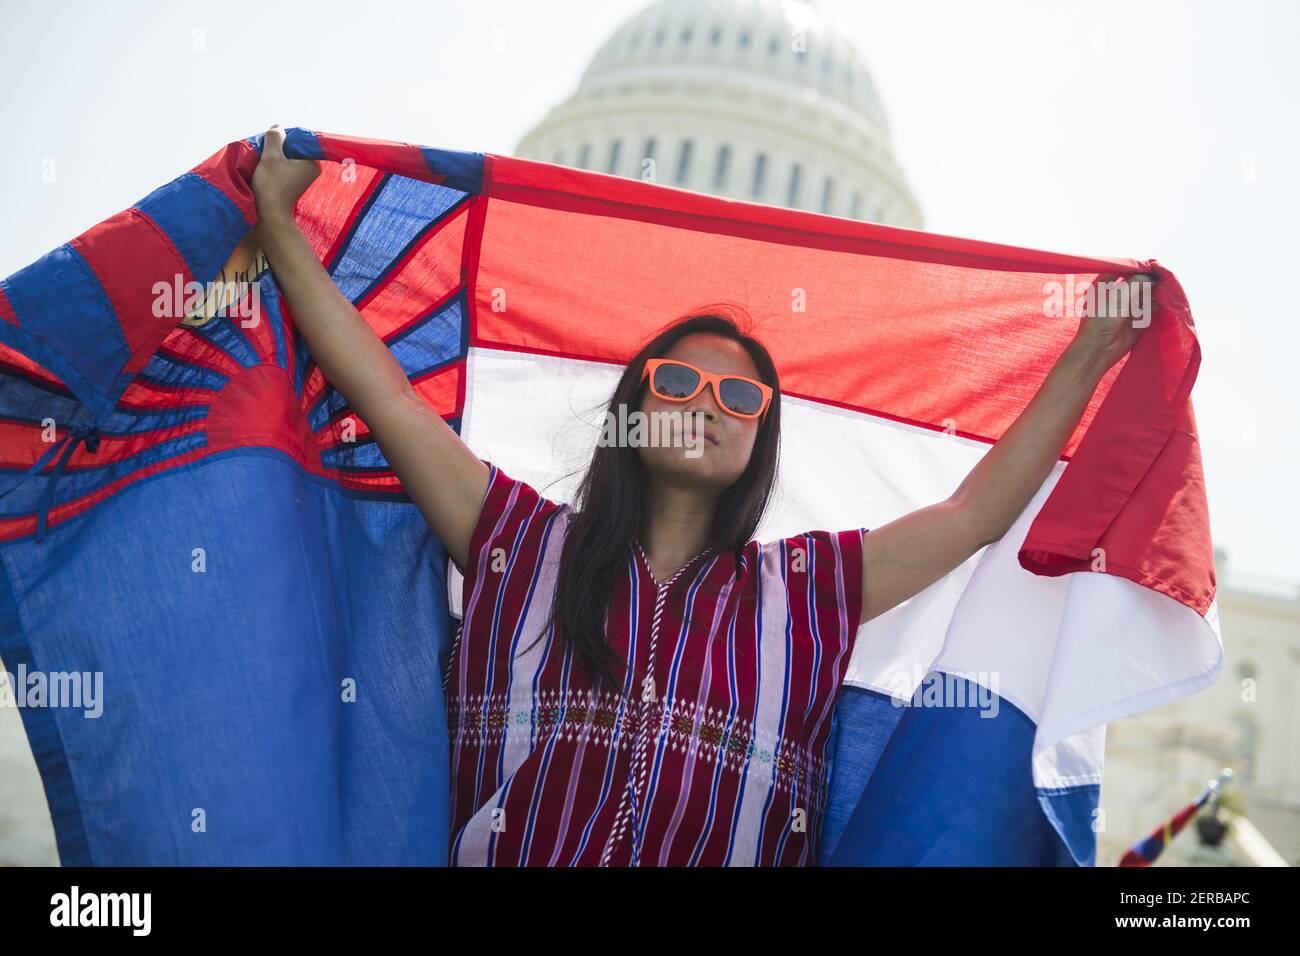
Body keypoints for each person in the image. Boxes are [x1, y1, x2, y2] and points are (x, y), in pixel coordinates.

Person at [250, 125, 1150, 866]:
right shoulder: (514, 541)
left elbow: (971, 514)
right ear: (632, 409)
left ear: (760, 444)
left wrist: (1087, 357)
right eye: (679, 383)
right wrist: (279, 223)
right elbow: (388, 395)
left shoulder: (805, 593)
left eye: (741, 397)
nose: (707, 407)